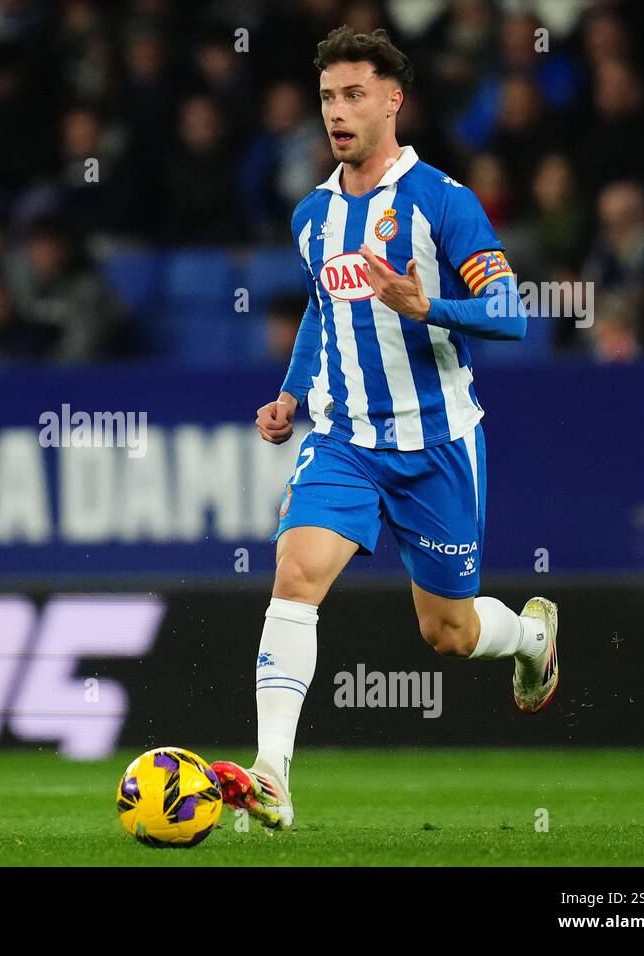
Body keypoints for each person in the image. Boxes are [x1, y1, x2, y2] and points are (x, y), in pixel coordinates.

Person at [212, 26, 559, 832]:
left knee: (449, 631)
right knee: (296, 575)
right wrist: (294, 395)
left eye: (355, 94)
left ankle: (531, 635)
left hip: (439, 443)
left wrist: (425, 304)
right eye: (329, 96)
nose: (338, 111)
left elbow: (509, 311)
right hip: (345, 440)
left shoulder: (443, 200)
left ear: (393, 100)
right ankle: (272, 776)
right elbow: (321, 310)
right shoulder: (312, 215)